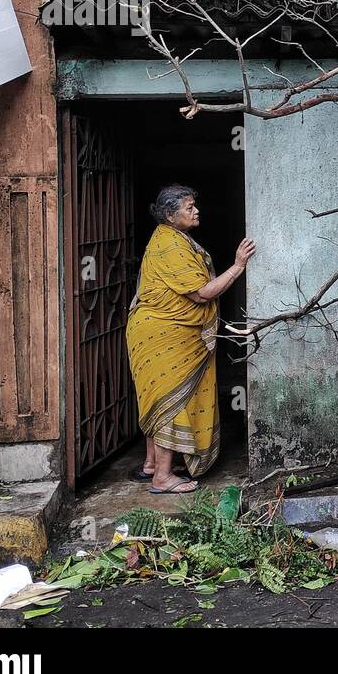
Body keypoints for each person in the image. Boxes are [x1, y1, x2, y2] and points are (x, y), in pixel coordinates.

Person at [126, 184, 256, 495]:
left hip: (154, 332)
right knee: (172, 400)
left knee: (159, 399)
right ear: (171, 216)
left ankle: (151, 465)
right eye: (189, 208)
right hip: (164, 333)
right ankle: (163, 478)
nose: (196, 211)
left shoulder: (170, 238)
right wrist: (237, 266)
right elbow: (201, 293)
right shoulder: (170, 246)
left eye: (194, 205)